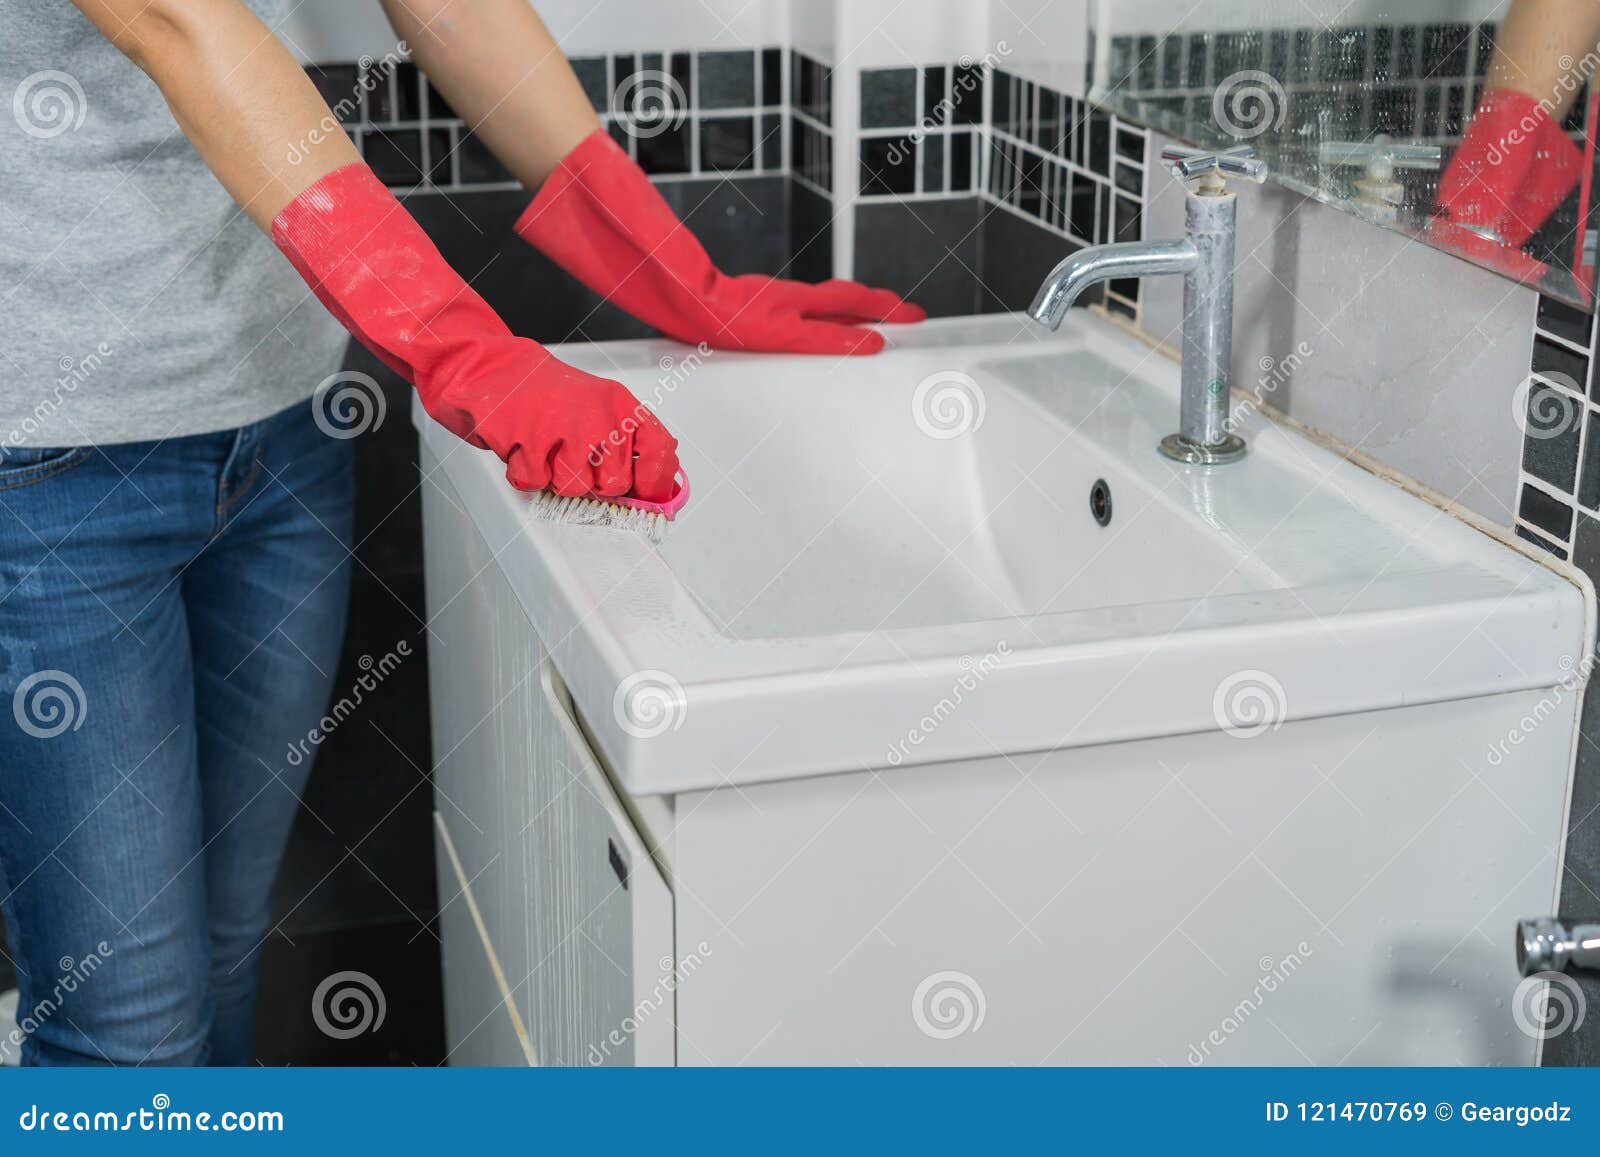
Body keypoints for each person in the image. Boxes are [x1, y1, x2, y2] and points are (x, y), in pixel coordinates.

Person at [0, 0, 923, 1067]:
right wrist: (457, 347)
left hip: (279, 425)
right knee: (127, 1030)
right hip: (51, 464)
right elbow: (177, 20)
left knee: (216, 951)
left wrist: (672, 272)